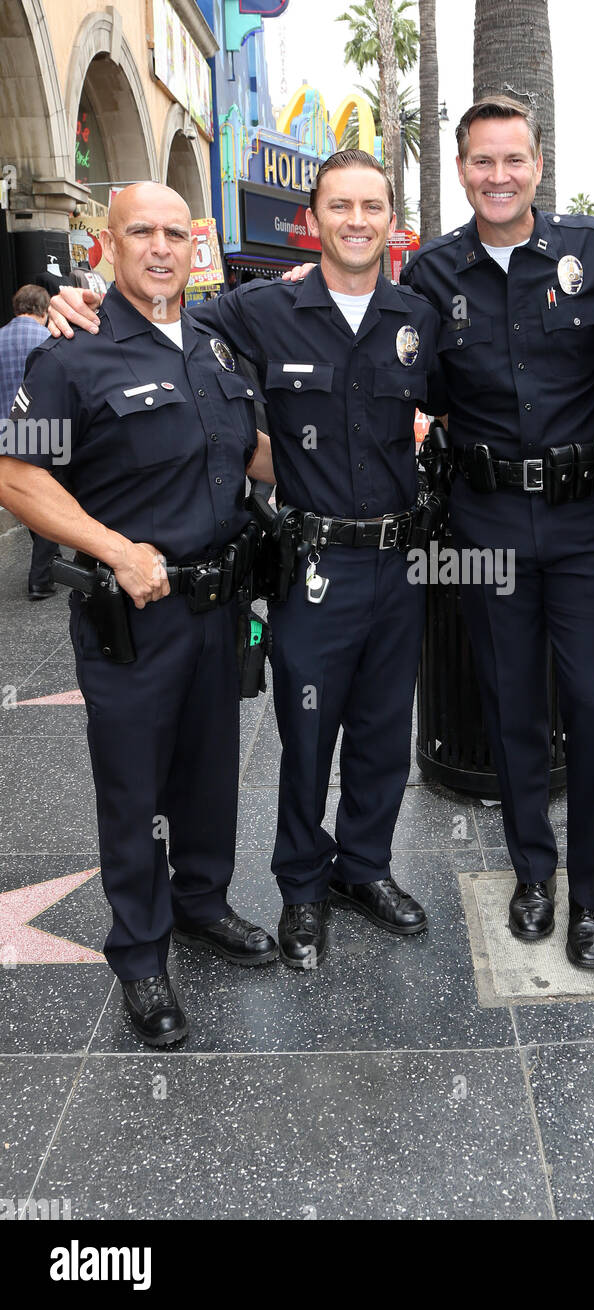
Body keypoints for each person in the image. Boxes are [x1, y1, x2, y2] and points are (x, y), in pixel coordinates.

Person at [48, 151, 443, 969]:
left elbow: (236, 435)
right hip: (308, 567)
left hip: (396, 563)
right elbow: (134, 330)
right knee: (304, 736)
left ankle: (363, 870)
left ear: (391, 218)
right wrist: (68, 302)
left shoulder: (419, 314)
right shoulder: (254, 311)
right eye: (340, 205)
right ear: (314, 219)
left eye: (372, 205)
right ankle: (301, 890)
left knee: (380, 737)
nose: (357, 221)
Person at [0, 182, 279, 1048]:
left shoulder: (215, 350)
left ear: (194, 248)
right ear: (108, 246)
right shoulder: (70, 357)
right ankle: (141, 955)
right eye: (141, 233)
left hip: (219, 605)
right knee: (133, 789)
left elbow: (254, 455)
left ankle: (201, 905)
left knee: (207, 773)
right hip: (133, 616)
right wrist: (115, 549)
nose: (160, 248)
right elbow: (16, 476)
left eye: (175, 233)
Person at [400, 96, 594, 969]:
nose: (498, 176)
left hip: (585, 522)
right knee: (510, 702)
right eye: (481, 161)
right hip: (487, 517)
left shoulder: (592, 255)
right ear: (461, 170)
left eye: (513, 160)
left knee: (593, 704)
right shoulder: (430, 276)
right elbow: (392, 376)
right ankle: (534, 873)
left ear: (538, 164)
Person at [0, 284, 60, 597]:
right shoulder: (48, 340)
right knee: (48, 500)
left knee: (28, 498)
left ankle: (52, 560)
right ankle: (40, 578)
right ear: (44, 308)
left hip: (5, 430)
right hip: (43, 428)